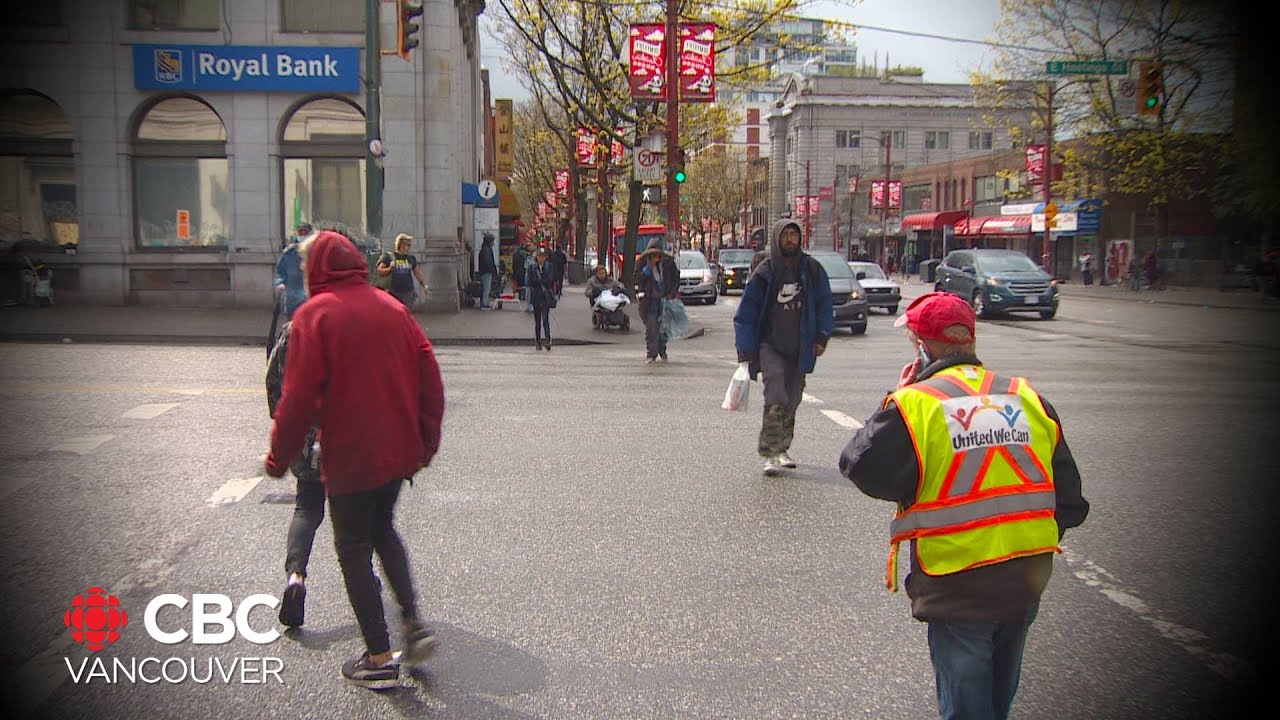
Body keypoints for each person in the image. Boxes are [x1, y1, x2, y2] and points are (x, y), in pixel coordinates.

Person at [837, 291, 1089, 720]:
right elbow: (1070, 501)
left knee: (968, 705)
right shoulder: (1026, 396)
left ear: (922, 348)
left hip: (958, 582)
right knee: (998, 693)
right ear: (970, 340)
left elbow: (859, 464)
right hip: (1026, 574)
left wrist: (896, 397)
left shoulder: (917, 404)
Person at [265, 230, 445, 690]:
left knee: (353, 551)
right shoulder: (392, 308)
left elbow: (297, 399)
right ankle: (414, 621)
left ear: (318, 268)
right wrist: (425, 443)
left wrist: (278, 457)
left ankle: (380, 655)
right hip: (396, 454)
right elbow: (431, 378)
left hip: (349, 457)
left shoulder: (315, 316)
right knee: (384, 529)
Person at [733, 220, 833, 475]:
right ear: (777, 239)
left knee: (793, 398)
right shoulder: (765, 273)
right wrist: (745, 353)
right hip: (771, 344)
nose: (790, 240)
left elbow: (824, 303)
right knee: (775, 393)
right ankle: (769, 452)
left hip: (800, 345)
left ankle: (782, 448)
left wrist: (822, 336)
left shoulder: (811, 269)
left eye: (794, 235)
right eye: (785, 235)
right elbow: (746, 314)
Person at [265, 317, 323, 629]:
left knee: (306, 509)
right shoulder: (354, 323)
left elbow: (274, 381)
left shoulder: (297, 327)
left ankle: (296, 577)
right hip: (346, 438)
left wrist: (285, 424)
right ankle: (367, 578)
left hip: (306, 439)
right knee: (354, 518)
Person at [635, 237, 680, 363]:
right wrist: (648, 269)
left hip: (664, 300)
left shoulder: (668, 263)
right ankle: (651, 353)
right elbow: (638, 280)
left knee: (663, 328)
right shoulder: (642, 263)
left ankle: (662, 350)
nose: (655, 257)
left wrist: (672, 293)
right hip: (649, 302)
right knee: (651, 327)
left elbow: (676, 278)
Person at [375, 233, 429, 310]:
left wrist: (424, 286)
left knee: (406, 314)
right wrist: (390, 268)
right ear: (401, 245)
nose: (409, 247)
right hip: (393, 292)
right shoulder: (389, 257)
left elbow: (417, 273)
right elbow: (379, 271)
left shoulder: (411, 258)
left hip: (408, 293)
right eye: (408, 245)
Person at [274, 223, 312, 320]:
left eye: (306, 232)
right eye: (301, 232)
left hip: (312, 298)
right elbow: (280, 271)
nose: (303, 235)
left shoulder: (316, 251)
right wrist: (280, 283)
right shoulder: (289, 253)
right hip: (293, 299)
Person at [525, 246, 555, 351]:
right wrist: (541, 281)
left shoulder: (549, 267)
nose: (541, 259)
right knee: (537, 320)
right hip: (536, 296)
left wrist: (541, 281)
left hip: (545, 296)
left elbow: (550, 280)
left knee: (545, 319)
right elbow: (530, 281)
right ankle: (537, 341)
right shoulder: (532, 268)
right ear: (536, 257)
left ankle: (547, 339)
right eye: (539, 256)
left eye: (543, 256)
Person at [476, 233, 498, 309]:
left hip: (484, 271)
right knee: (486, 288)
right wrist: (492, 270)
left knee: (486, 288)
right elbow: (488, 261)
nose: (493, 243)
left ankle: (485, 302)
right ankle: (484, 304)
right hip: (486, 272)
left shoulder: (484, 249)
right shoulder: (487, 250)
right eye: (492, 241)